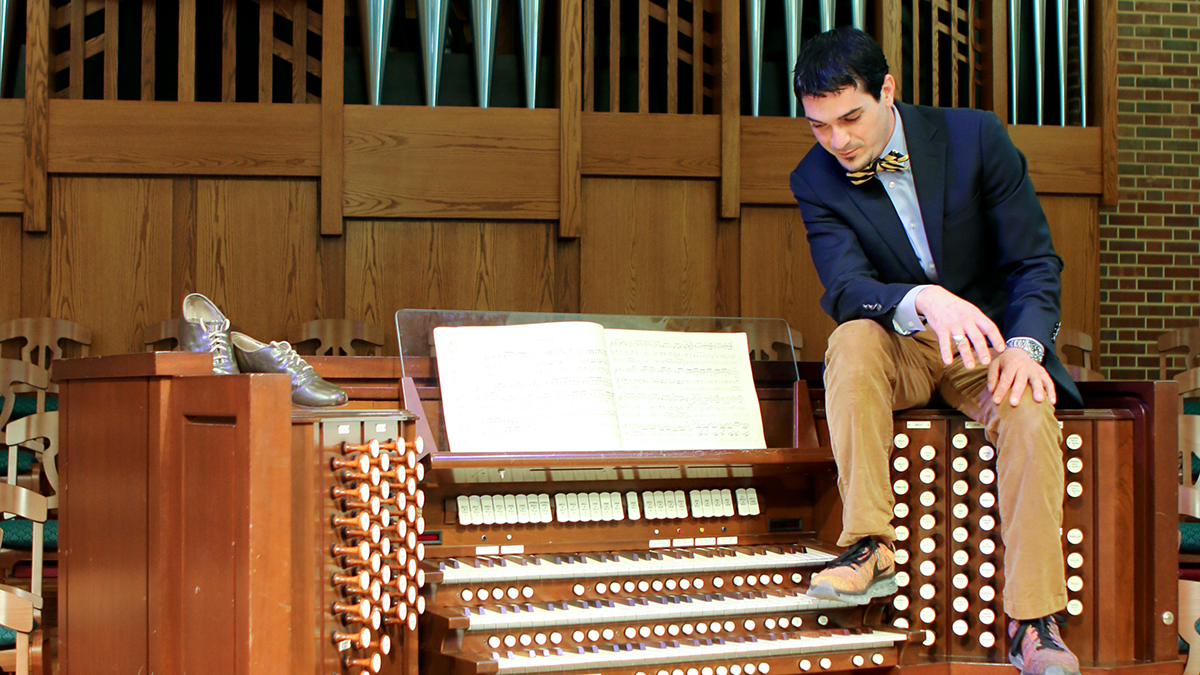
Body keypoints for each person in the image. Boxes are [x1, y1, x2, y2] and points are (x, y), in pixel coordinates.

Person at [789, 27, 1083, 675]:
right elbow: (845, 287)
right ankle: (868, 544)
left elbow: (1035, 259)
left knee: (1032, 407)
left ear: (887, 89)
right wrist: (921, 298)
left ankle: (1034, 622)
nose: (837, 141)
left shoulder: (975, 136)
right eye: (818, 126)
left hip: (990, 344)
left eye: (850, 118)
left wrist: (1026, 346)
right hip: (902, 344)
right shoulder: (814, 178)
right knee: (849, 337)